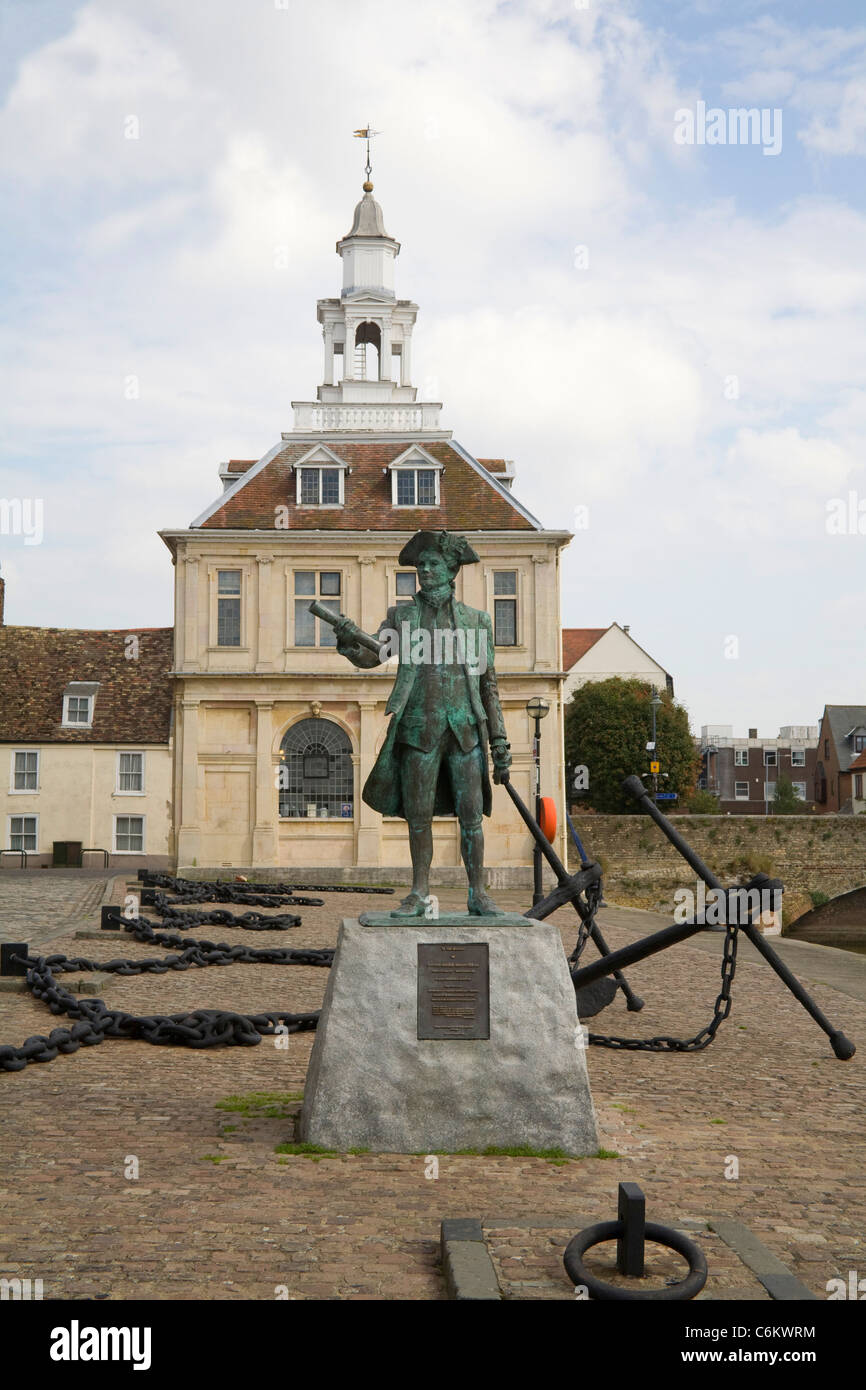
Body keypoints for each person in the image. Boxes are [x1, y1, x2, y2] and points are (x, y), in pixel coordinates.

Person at [333, 530, 512, 916]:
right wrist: (349, 642)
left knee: (471, 816)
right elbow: (374, 656)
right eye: (420, 566)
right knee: (418, 816)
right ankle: (418, 892)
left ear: (451, 571)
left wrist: (500, 741)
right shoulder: (403, 616)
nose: (424, 571)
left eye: (432, 564)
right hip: (418, 728)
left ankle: (478, 893)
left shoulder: (477, 622)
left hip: (466, 731)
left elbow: (489, 687)